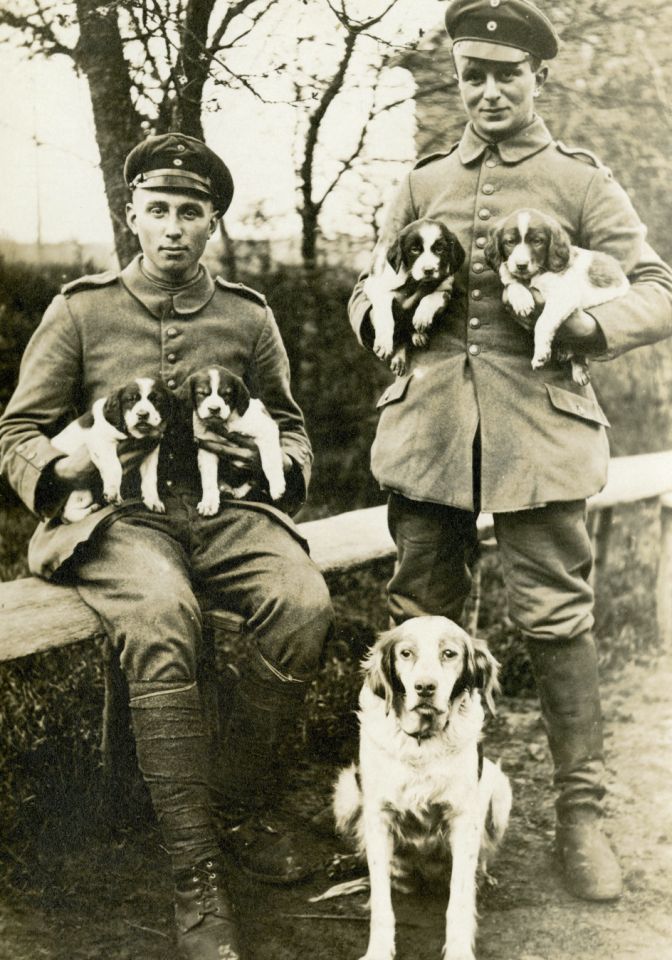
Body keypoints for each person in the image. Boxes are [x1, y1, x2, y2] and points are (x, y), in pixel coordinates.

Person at [349, 0, 672, 903]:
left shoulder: (579, 182)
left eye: (507, 75)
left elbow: (659, 288)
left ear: (540, 78)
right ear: (458, 82)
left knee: (557, 623)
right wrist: (374, 320)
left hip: (541, 433)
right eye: (473, 76)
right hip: (428, 435)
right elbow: (370, 280)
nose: (488, 92)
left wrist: (584, 330)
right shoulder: (420, 181)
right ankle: (407, 810)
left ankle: (582, 816)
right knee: (418, 616)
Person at [0, 132, 333, 960]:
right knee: (161, 613)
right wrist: (60, 471)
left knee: (303, 603)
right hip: (118, 518)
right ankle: (194, 868)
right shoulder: (81, 308)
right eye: (158, 210)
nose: (174, 228)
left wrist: (272, 465)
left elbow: (290, 430)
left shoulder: (247, 316)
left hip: (223, 512)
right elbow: (16, 431)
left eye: (192, 212)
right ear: (132, 216)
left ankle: (235, 804)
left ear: (213, 222)